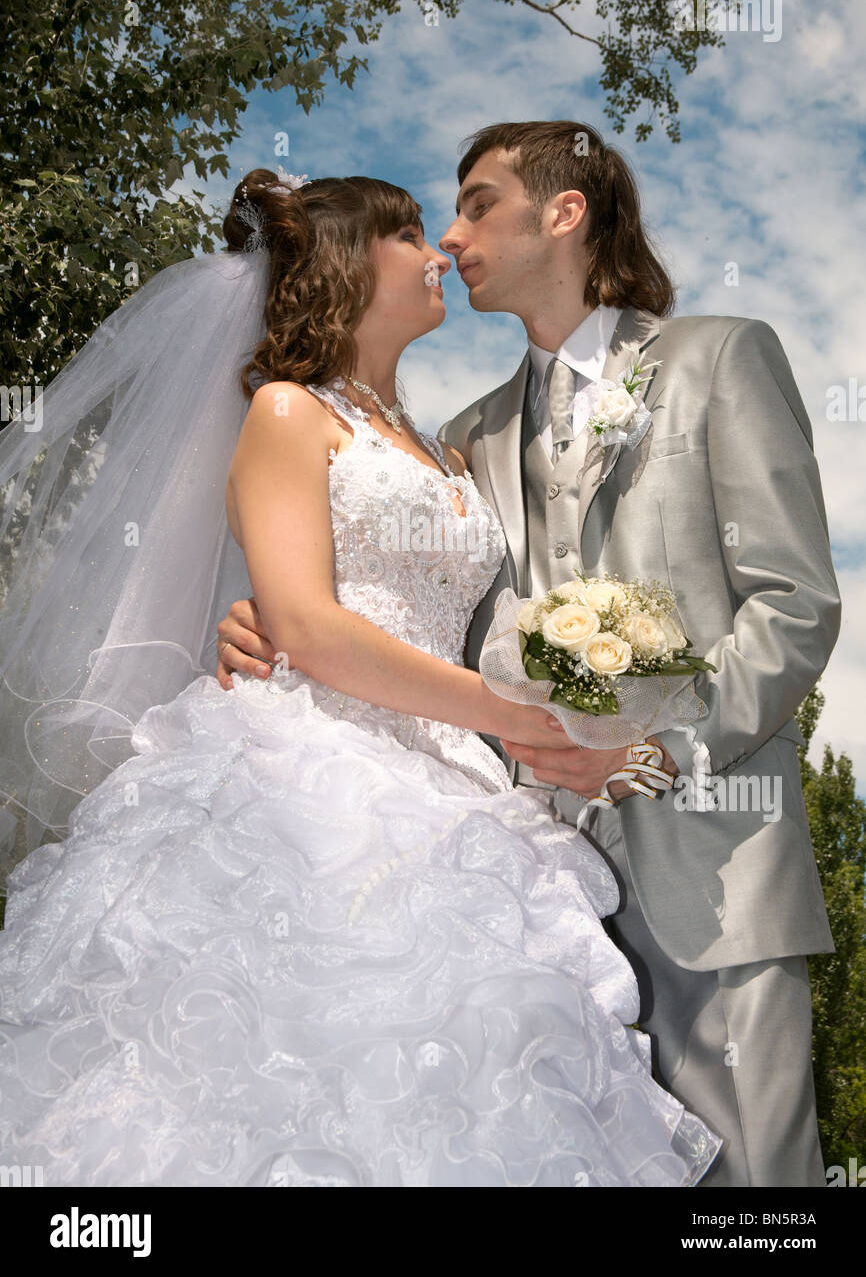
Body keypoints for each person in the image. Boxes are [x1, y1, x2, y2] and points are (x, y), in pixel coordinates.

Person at [0, 169, 721, 1186]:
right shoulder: (290, 414)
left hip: (450, 782)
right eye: (412, 235)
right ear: (346, 262)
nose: (437, 255)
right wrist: (508, 713)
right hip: (310, 775)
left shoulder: (445, 451)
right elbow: (301, 622)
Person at [217, 124, 841, 1187]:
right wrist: (268, 622)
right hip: (529, 892)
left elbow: (791, 608)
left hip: (712, 871)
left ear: (562, 213)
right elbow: (421, 616)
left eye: (472, 204)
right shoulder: (464, 438)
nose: (449, 238)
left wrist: (644, 756)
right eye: (434, 221)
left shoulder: (719, 358)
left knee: (755, 1203)